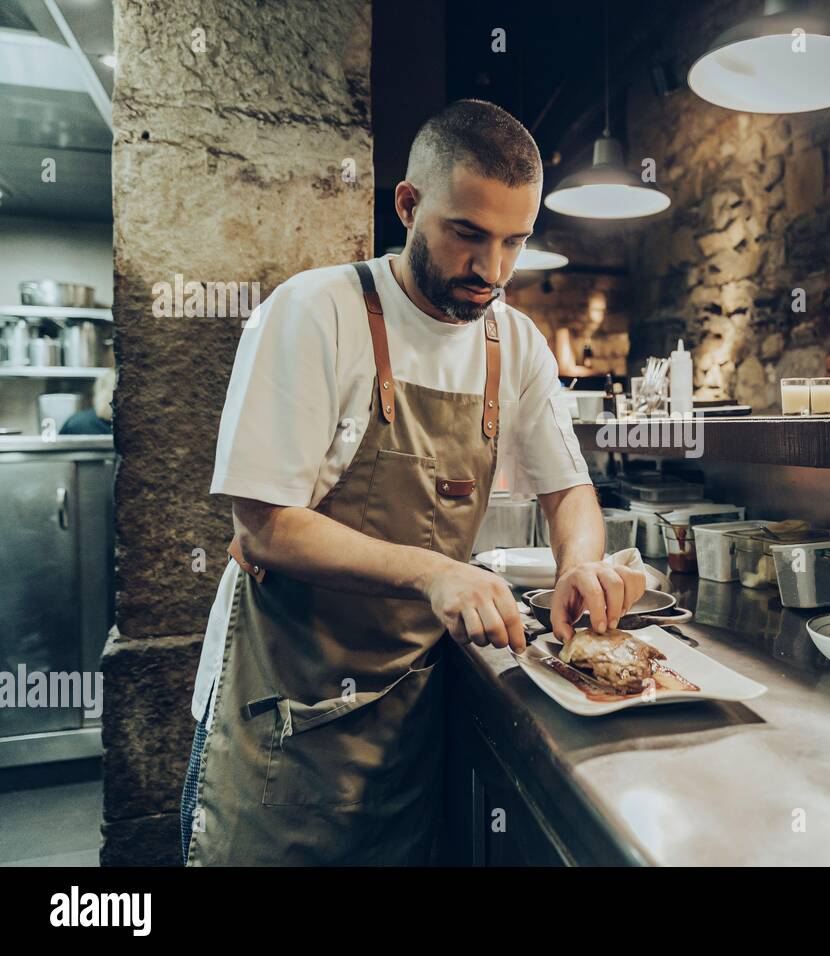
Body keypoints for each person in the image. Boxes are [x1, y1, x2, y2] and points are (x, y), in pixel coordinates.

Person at [181, 99, 645, 866]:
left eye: (515, 243)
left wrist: (581, 565)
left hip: (408, 712)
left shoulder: (515, 342)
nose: (492, 271)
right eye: (468, 233)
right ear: (408, 204)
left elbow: (568, 491)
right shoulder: (313, 310)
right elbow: (263, 523)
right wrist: (437, 573)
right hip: (289, 713)